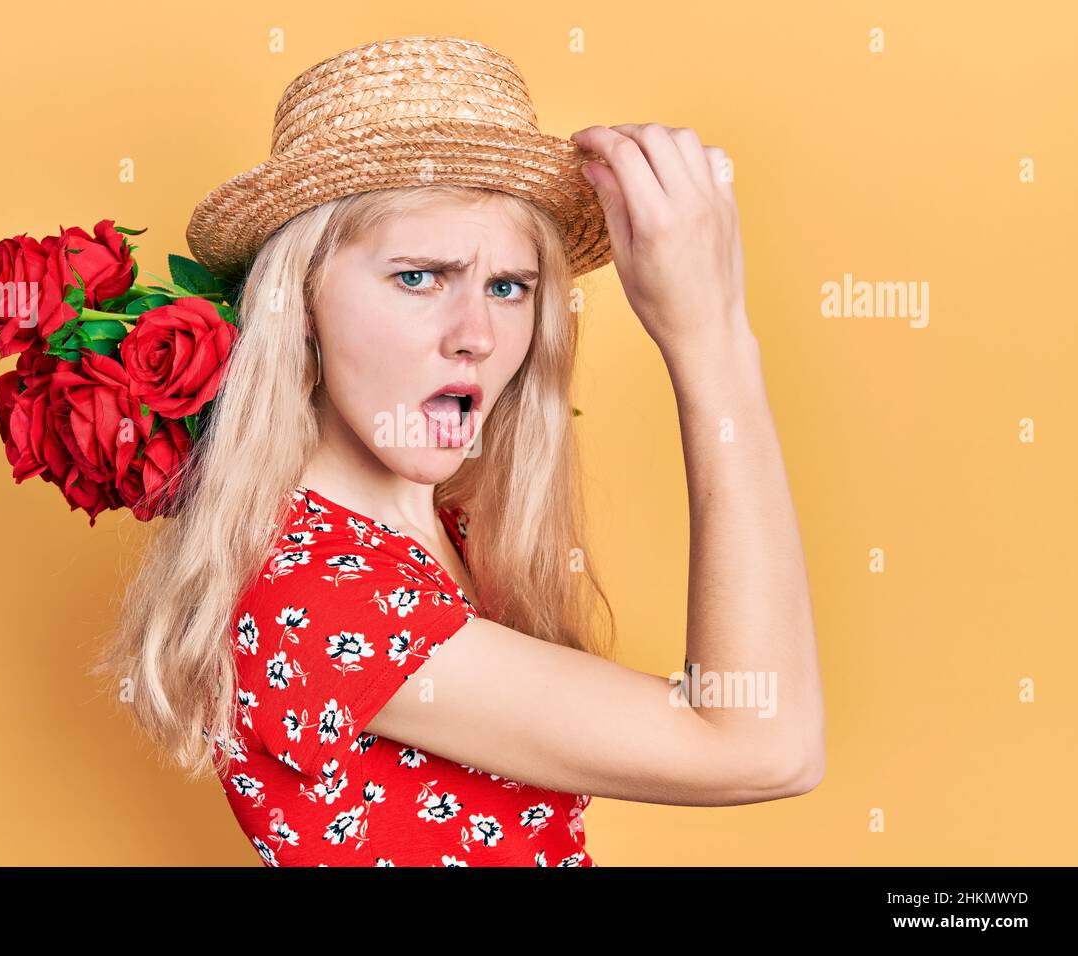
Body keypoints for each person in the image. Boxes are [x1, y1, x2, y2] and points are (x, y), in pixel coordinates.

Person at [100, 36, 825, 867]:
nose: (477, 336)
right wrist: (711, 339)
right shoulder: (317, 590)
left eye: (507, 287)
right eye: (419, 277)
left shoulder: (450, 534)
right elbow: (763, 743)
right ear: (299, 303)